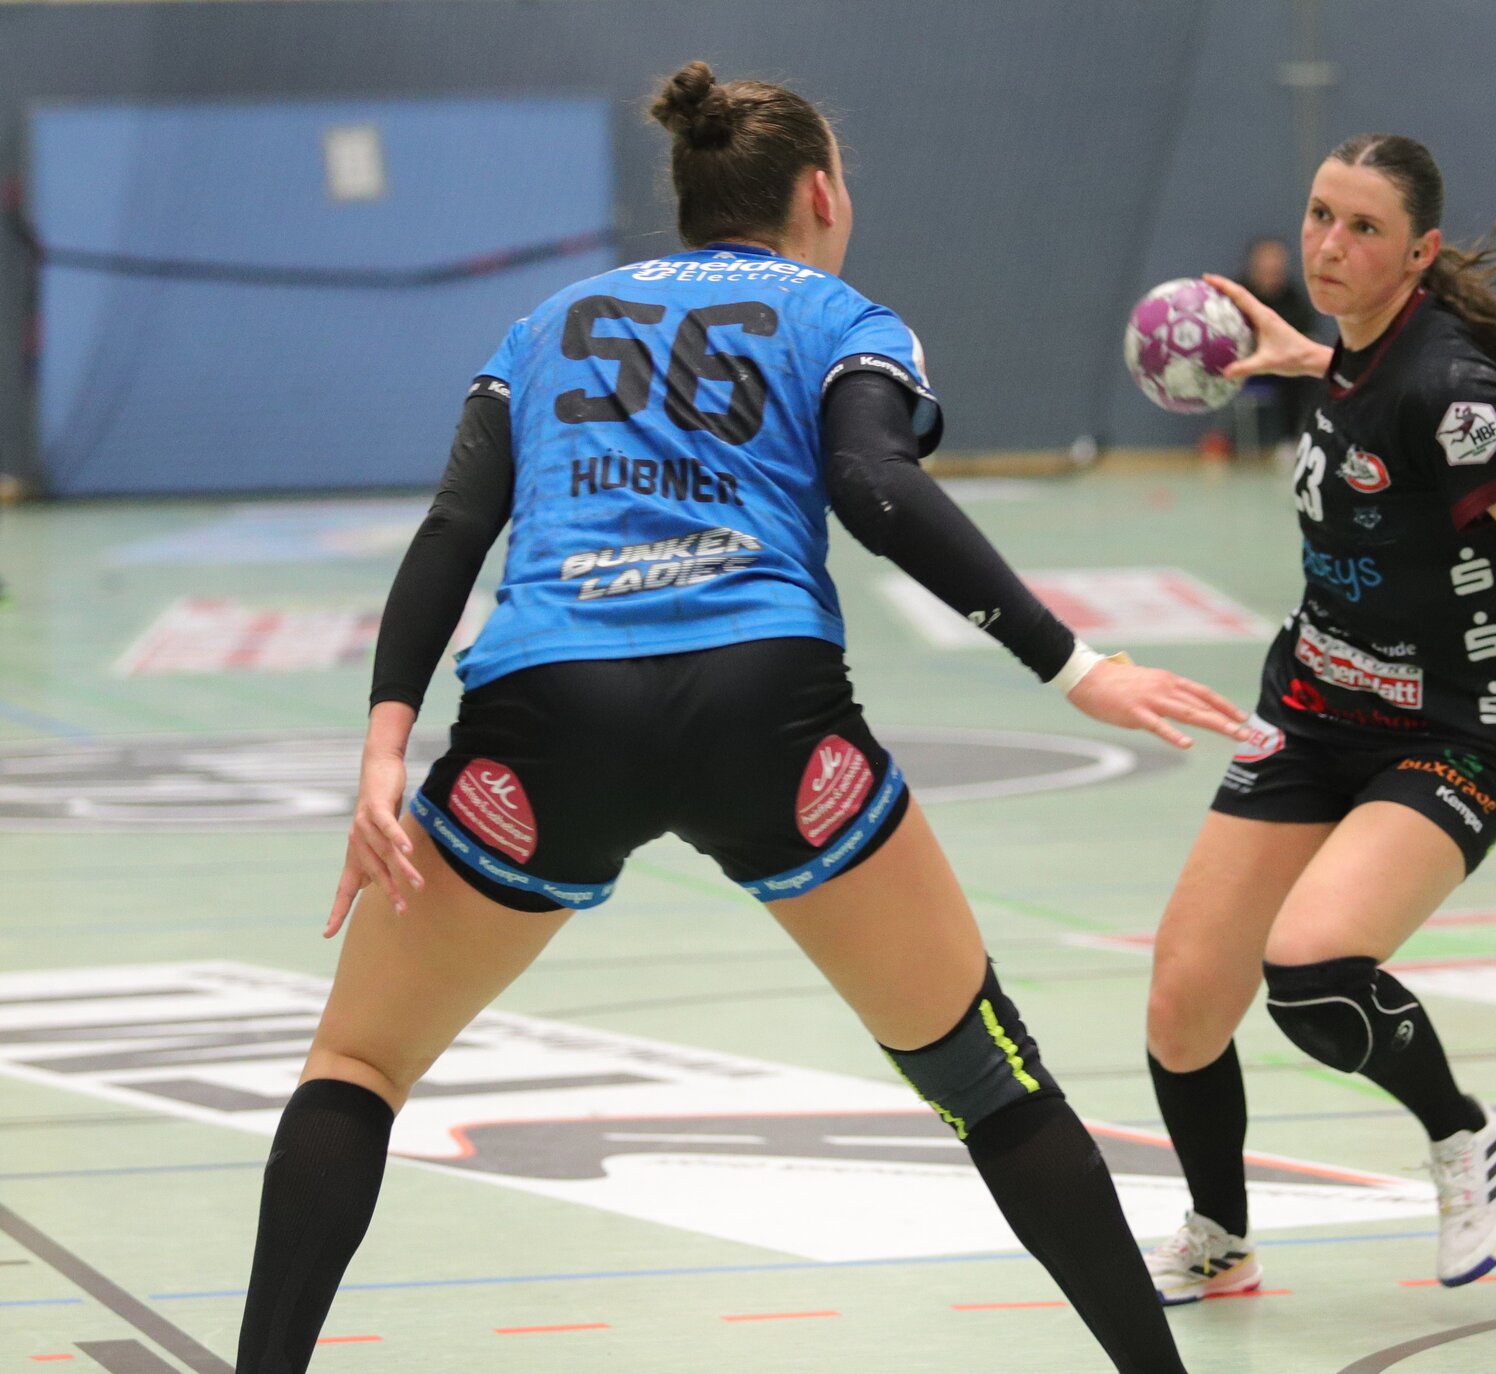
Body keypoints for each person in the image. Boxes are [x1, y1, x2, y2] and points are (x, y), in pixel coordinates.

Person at [229, 61, 1248, 1374]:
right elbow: (876, 484)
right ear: (819, 192)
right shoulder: (839, 313)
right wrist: (1072, 664)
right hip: (768, 717)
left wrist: (383, 743)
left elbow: (452, 529)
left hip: (549, 718)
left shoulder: (544, 326)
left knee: (358, 1060)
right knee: (986, 1077)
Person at [1144, 133, 1496, 1305]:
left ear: (1419, 252)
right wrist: (1307, 358)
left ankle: (1465, 1136)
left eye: (1364, 229)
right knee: (1185, 1000)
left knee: (1311, 968)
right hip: (1313, 703)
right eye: (1319, 215)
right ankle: (1218, 1238)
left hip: (1454, 727)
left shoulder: (1453, 392)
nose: (1329, 245)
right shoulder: (1353, 353)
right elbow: (1361, 398)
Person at [1237, 236, 1323, 453]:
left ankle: (1293, 439)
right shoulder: (1240, 294)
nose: (1272, 266)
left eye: (1277, 260)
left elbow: (1308, 335)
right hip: (1248, 365)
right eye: (1266, 260)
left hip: (1283, 366)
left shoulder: (1294, 297)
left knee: (1304, 377)